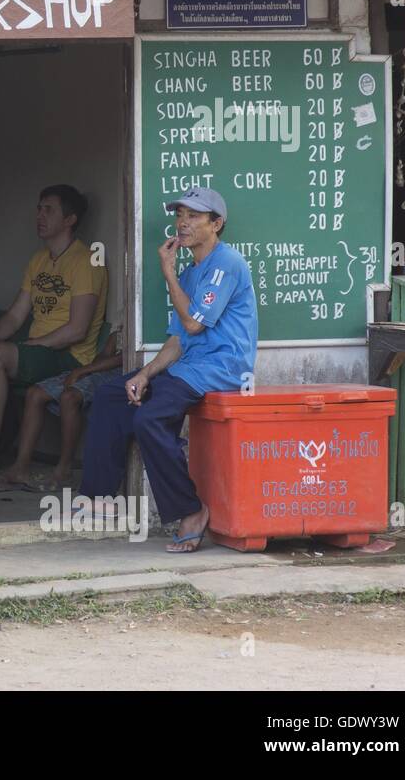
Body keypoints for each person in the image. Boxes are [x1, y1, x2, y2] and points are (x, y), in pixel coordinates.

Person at [79, 186, 258, 553]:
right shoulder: (193, 272)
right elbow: (178, 340)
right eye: (180, 215)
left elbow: (193, 324)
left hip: (221, 369)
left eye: (193, 216)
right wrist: (144, 375)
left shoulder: (226, 263)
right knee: (114, 393)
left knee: (150, 419)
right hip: (189, 367)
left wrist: (167, 272)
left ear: (217, 224)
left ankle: (191, 511)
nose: (182, 223)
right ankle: (98, 496)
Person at [0, 185, 108, 486]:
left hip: (67, 355)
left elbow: (77, 329)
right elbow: (15, 316)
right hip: (35, 348)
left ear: (70, 219)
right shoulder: (39, 260)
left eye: (49, 210)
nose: (40, 216)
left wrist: (25, 345)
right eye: (39, 209)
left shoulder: (86, 260)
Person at [0, 329, 122, 493]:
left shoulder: (141, 329)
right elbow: (105, 354)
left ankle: (64, 471)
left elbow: (124, 358)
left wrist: (83, 371)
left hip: (120, 375)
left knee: (69, 398)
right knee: (35, 394)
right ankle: (20, 468)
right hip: (97, 372)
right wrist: (91, 370)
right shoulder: (119, 332)